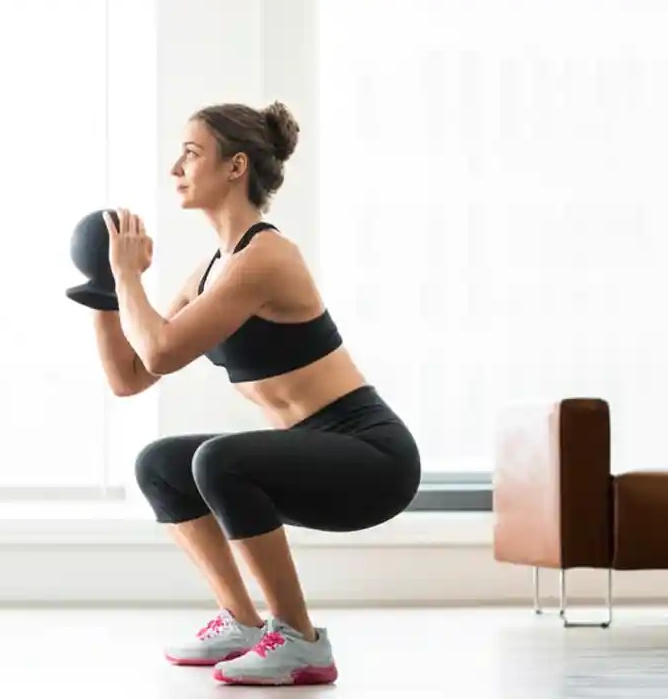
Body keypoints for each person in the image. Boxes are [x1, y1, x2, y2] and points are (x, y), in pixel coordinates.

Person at [91, 101, 421, 686]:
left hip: (374, 458)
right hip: (318, 447)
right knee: (161, 465)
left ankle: (300, 639)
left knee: (219, 461)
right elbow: (133, 376)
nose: (176, 167)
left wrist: (128, 276)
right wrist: (102, 288)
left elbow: (162, 349)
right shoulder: (208, 271)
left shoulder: (265, 256)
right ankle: (243, 623)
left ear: (236, 166)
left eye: (191, 153)